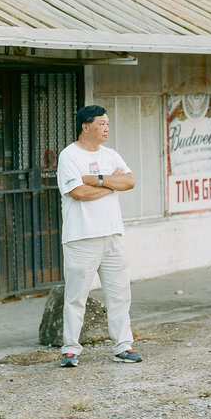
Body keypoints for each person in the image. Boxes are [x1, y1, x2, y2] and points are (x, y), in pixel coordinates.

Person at [56, 104, 143, 367]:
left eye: (107, 124)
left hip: (113, 235)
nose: (106, 128)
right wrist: (111, 186)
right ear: (85, 127)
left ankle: (123, 346)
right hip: (81, 237)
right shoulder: (69, 156)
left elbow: (129, 181)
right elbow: (78, 193)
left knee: (119, 294)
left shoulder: (110, 155)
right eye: (101, 124)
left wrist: (97, 180)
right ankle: (70, 349)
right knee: (76, 296)